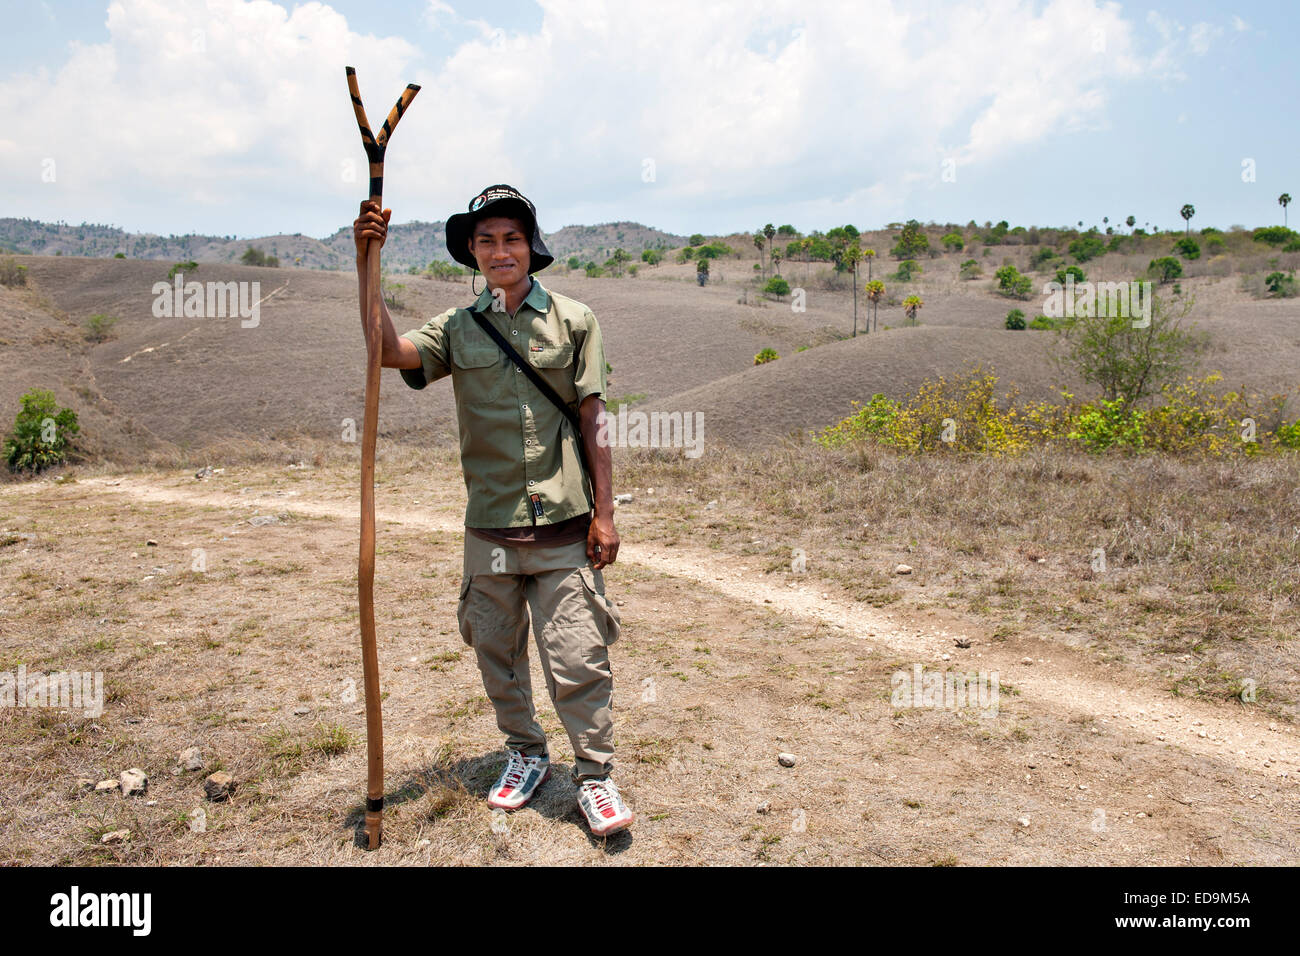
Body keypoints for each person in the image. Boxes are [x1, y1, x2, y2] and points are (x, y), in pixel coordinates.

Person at [351, 184, 633, 837]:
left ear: (530, 247)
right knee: (496, 653)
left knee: (578, 657)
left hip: (564, 526)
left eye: (511, 238)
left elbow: (594, 419)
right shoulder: (456, 328)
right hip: (492, 531)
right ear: (471, 253)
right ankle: (526, 753)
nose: (499, 250)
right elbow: (386, 350)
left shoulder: (575, 320)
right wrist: (366, 260)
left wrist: (606, 514)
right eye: (486, 240)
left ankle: (594, 778)